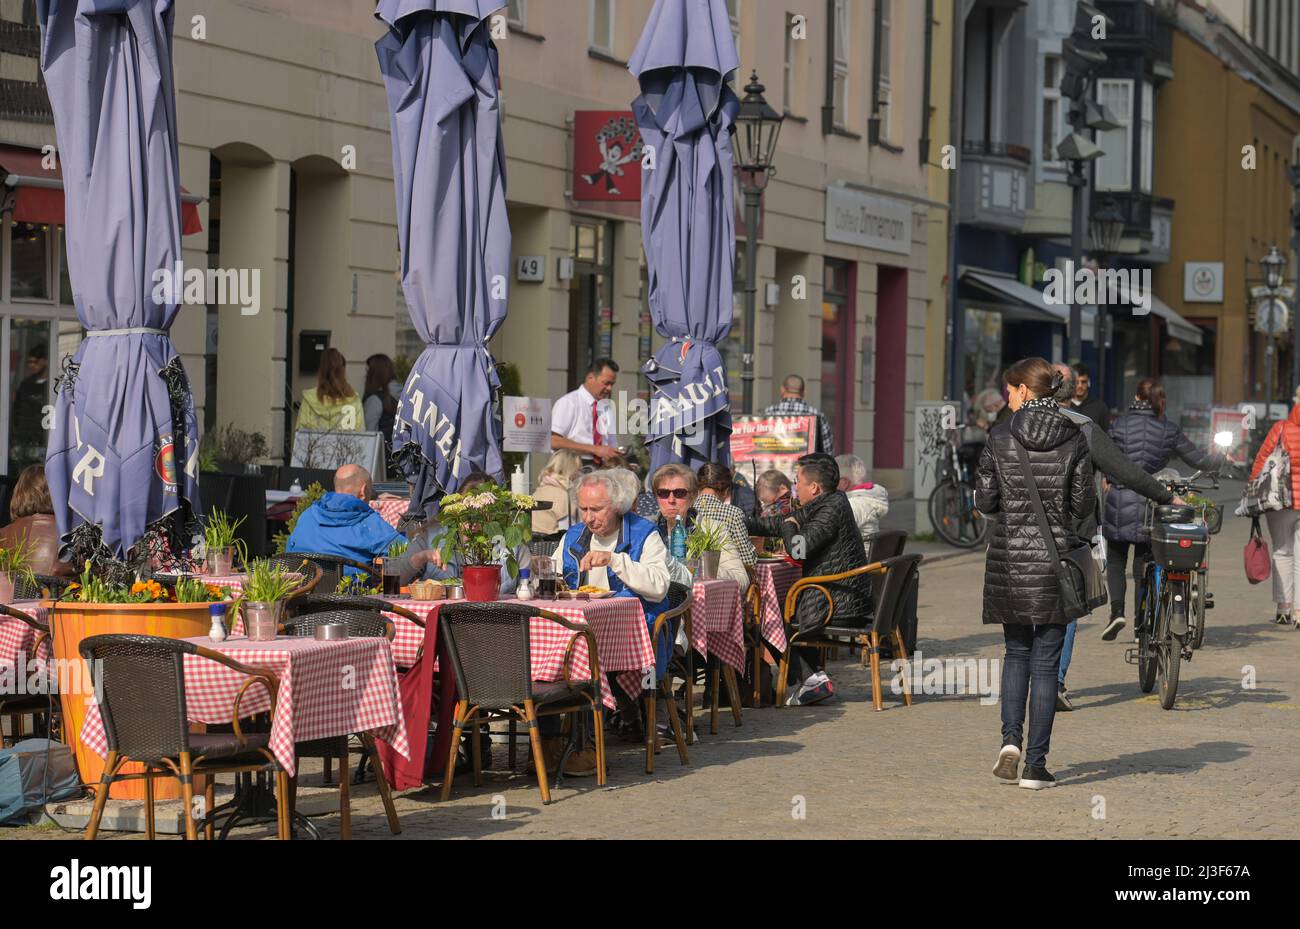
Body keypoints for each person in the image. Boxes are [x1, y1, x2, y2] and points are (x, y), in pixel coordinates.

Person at [976, 357, 1093, 791]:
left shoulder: (1000, 436)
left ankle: (1010, 743)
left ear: (1025, 390)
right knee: (1045, 665)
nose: (1006, 397)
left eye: (1009, 389)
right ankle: (1036, 767)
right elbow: (1082, 508)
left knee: (1016, 653)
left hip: (1010, 562)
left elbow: (986, 504)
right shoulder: (1074, 436)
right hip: (1055, 562)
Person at [1050, 363, 1180, 711]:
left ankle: (1019, 725)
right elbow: (1126, 469)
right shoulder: (1086, 427)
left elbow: (989, 493)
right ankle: (1054, 683)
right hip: (1078, 530)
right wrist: (1169, 495)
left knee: (1030, 624)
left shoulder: (1011, 427)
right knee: (1068, 608)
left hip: (1033, 536)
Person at [546, 471, 674, 774]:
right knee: (549, 655)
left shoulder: (644, 533)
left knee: (587, 653)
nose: (588, 518)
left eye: (596, 509)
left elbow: (659, 586)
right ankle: (549, 744)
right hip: (581, 627)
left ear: (616, 505)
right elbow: (552, 576)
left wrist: (615, 560)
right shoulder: (573, 536)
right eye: (584, 509)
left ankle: (586, 746)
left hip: (635, 634)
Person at [1103, 377, 1226, 642]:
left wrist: (1105, 477)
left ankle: (1116, 612)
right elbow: (1198, 460)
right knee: (1144, 564)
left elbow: (1105, 457)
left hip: (1119, 500)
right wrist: (1221, 458)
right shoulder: (1168, 429)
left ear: (1136, 398)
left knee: (1115, 560)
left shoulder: (1119, 425)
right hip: (1152, 500)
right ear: (1159, 400)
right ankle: (1141, 626)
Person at [746, 454, 871, 706]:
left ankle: (810, 679)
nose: (795, 488)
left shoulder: (831, 508)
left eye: (797, 482)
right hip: (837, 594)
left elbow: (797, 549)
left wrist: (790, 526)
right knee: (776, 611)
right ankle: (813, 677)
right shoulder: (826, 503)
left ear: (814, 487)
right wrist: (740, 522)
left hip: (839, 600)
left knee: (769, 615)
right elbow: (778, 523)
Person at [389, 473, 527, 595]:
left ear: (492, 514)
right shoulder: (432, 537)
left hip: (497, 620)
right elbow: (394, 580)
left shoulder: (512, 544)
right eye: (466, 513)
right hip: (442, 620)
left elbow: (531, 591)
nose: (472, 523)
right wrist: (420, 557)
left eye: (479, 515)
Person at [647, 463, 748, 591]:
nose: (671, 500)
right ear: (656, 496)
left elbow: (742, 580)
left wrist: (701, 570)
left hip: (699, 605)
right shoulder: (646, 531)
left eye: (679, 493)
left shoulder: (711, 529)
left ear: (694, 496)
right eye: (663, 493)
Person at [286, 464, 401, 572]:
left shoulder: (307, 515)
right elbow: (404, 552)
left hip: (304, 589)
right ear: (363, 491)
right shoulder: (369, 523)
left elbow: (289, 551)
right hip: (351, 591)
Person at [1250, 384, 1300, 627]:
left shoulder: (1280, 428)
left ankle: (1283, 608)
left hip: (1279, 501)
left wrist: (1252, 491)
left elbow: (1262, 459)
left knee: (1282, 551)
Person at [0, 465, 73, 577]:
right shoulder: (71, 535)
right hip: (58, 594)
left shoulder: (3, 535)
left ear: (18, 494)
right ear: (56, 493)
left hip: (10, 594)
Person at [551, 358, 620, 464]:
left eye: (612, 384)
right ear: (590, 378)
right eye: (606, 383)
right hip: (574, 466)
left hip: (602, 469)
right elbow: (553, 441)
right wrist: (594, 449)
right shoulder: (569, 402)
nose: (610, 388)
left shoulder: (606, 408)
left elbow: (612, 444)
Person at [694, 463, 758, 577]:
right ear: (726, 491)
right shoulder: (733, 513)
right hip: (726, 582)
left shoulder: (687, 510)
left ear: (698, 488)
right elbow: (749, 561)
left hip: (692, 577)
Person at [834, 454, 890, 560]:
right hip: (863, 566)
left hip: (852, 569)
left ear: (844, 482)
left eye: (832, 479)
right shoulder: (865, 500)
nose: (828, 483)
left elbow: (826, 537)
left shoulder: (853, 506)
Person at [296, 348, 365, 433]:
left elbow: (300, 436)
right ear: (343, 371)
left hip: (315, 446)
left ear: (321, 371)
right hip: (345, 446)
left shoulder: (309, 399)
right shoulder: (354, 400)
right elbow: (361, 438)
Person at [763, 375, 834, 455]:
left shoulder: (768, 413)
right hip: (807, 466)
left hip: (774, 466)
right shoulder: (817, 415)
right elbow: (827, 450)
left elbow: (761, 445)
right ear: (804, 392)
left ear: (782, 389)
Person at [9, 344, 48, 470]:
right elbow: (16, 410)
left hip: (43, 441)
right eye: (29, 362)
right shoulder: (26, 384)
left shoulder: (52, 386)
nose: (31, 365)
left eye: (35, 362)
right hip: (23, 441)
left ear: (45, 361)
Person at [531, 450, 581, 537]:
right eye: (578, 470)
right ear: (571, 471)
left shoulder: (539, 491)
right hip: (552, 545)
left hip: (533, 544)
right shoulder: (564, 496)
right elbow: (568, 532)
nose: (580, 474)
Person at [363, 354, 401, 441]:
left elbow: (369, 437)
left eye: (368, 371)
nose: (365, 376)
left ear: (375, 374)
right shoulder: (405, 395)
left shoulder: (375, 400)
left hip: (382, 452)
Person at [1070, 362, 1109, 430]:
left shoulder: (1100, 407)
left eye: (1083, 382)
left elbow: (1106, 435)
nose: (1080, 386)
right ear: (1071, 382)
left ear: (1088, 382)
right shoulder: (1064, 406)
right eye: (1076, 382)